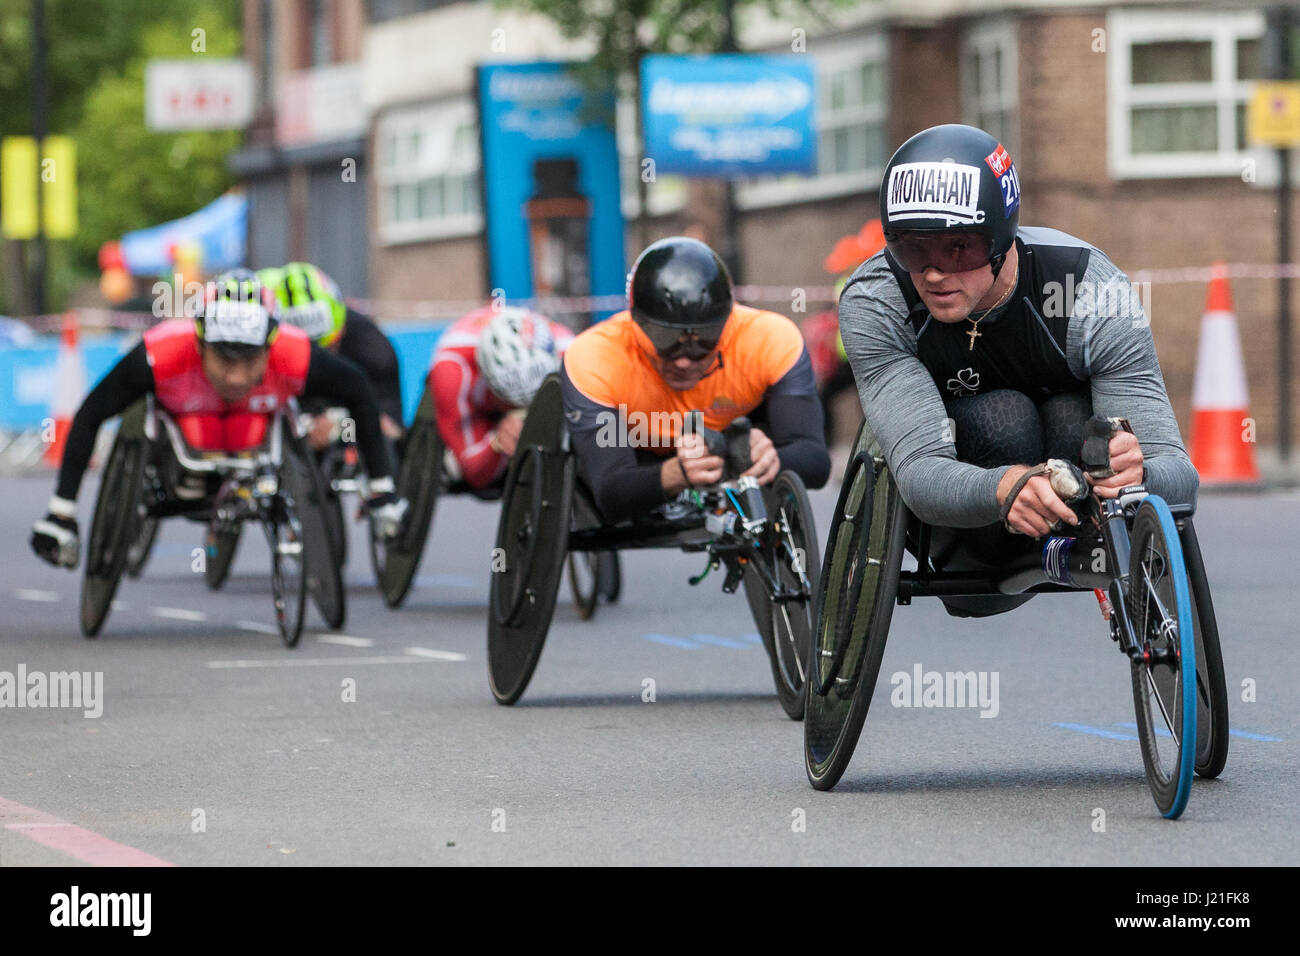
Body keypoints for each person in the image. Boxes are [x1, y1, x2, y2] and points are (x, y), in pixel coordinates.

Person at [838, 123, 1198, 616]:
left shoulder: (1091, 292)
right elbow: (920, 473)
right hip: (968, 521)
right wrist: (1005, 486)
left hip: (1078, 498)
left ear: (1000, 237)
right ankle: (1006, 551)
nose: (934, 272)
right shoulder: (877, 299)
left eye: (957, 247)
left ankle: (1075, 541)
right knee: (1004, 418)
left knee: (1081, 421)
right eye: (913, 249)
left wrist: (1137, 475)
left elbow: (1180, 477)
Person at [31, 269, 406, 569]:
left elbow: (361, 395)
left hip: (252, 431)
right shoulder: (162, 352)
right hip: (186, 432)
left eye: (250, 358)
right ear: (199, 342)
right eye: (225, 358)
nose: (237, 377)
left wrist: (381, 489)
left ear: (271, 344)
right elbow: (90, 415)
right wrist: (60, 511)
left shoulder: (293, 351)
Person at [561, 236, 830, 525]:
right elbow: (610, 493)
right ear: (634, 321)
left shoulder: (771, 340)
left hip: (730, 439)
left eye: (704, 340)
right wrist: (676, 473)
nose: (684, 360)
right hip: (638, 453)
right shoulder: (594, 356)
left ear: (729, 322)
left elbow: (815, 460)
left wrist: (774, 458)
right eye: (666, 340)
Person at [427, 304, 573, 496]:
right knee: (458, 469)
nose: (518, 408)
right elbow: (474, 473)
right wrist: (496, 443)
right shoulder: (452, 370)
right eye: (508, 400)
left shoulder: (570, 350)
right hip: (475, 395)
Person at [257, 262, 405, 449]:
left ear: (341, 328)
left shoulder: (373, 350)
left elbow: (391, 431)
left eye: (324, 348)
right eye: (300, 352)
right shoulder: (260, 324)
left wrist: (340, 428)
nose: (315, 361)